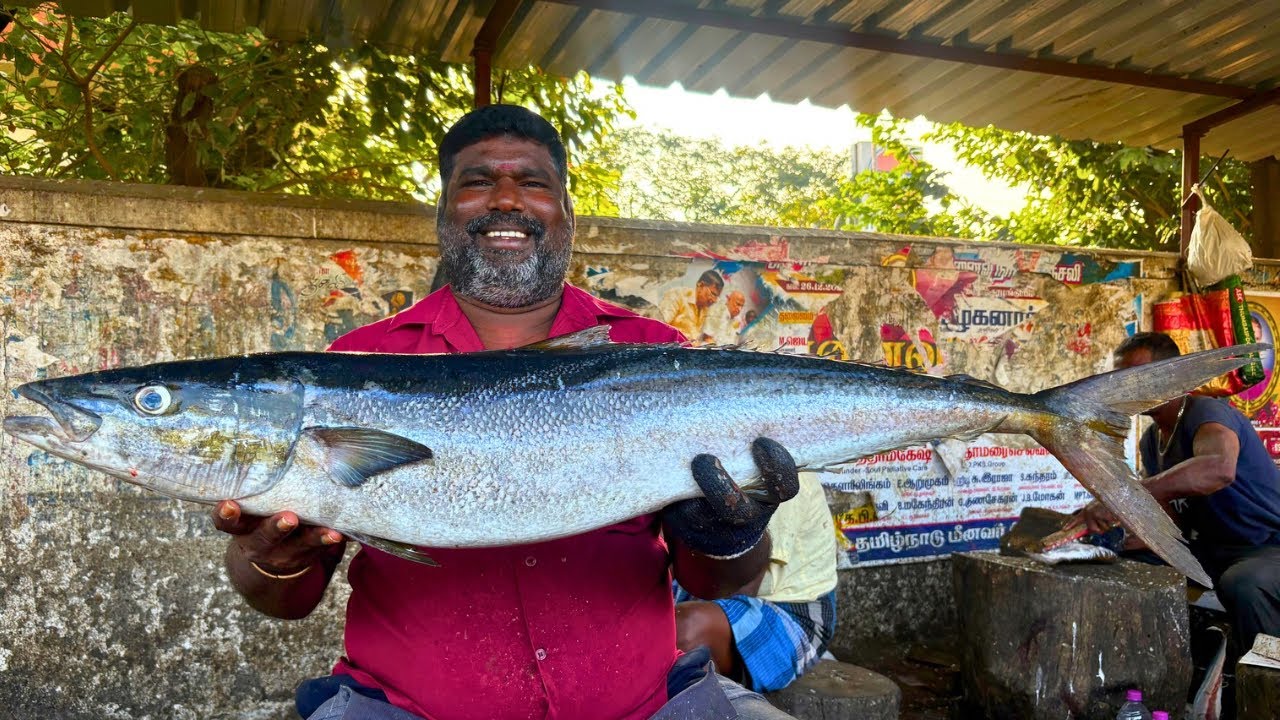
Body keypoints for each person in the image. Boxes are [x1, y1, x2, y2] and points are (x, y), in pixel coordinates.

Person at [210, 104, 802, 720]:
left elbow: (722, 585)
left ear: (567, 214)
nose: (507, 200)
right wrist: (269, 560)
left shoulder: (655, 353)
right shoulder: (357, 364)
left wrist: (731, 536)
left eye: (534, 182)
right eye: (477, 181)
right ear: (443, 213)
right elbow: (286, 601)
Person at [1074, 331, 1280, 653]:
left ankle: (1263, 688)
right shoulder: (1151, 442)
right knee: (1123, 564)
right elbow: (1172, 524)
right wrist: (1118, 533)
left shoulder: (1207, 414)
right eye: (1119, 377)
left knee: (1243, 584)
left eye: (1136, 376)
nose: (1123, 386)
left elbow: (1218, 468)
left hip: (1267, 549)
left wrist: (1124, 497)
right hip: (1210, 552)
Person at [674, 471, 838, 692]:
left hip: (788, 608)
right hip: (711, 588)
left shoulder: (782, 477)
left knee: (683, 630)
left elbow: (743, 582)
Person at [659, 269, 724, 344]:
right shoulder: (677, 295)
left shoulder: (705, 308)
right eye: (713, 294)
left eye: (717, 297)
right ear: (701, 285)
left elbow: (707, 337)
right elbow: (659, 327)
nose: (715, 300)